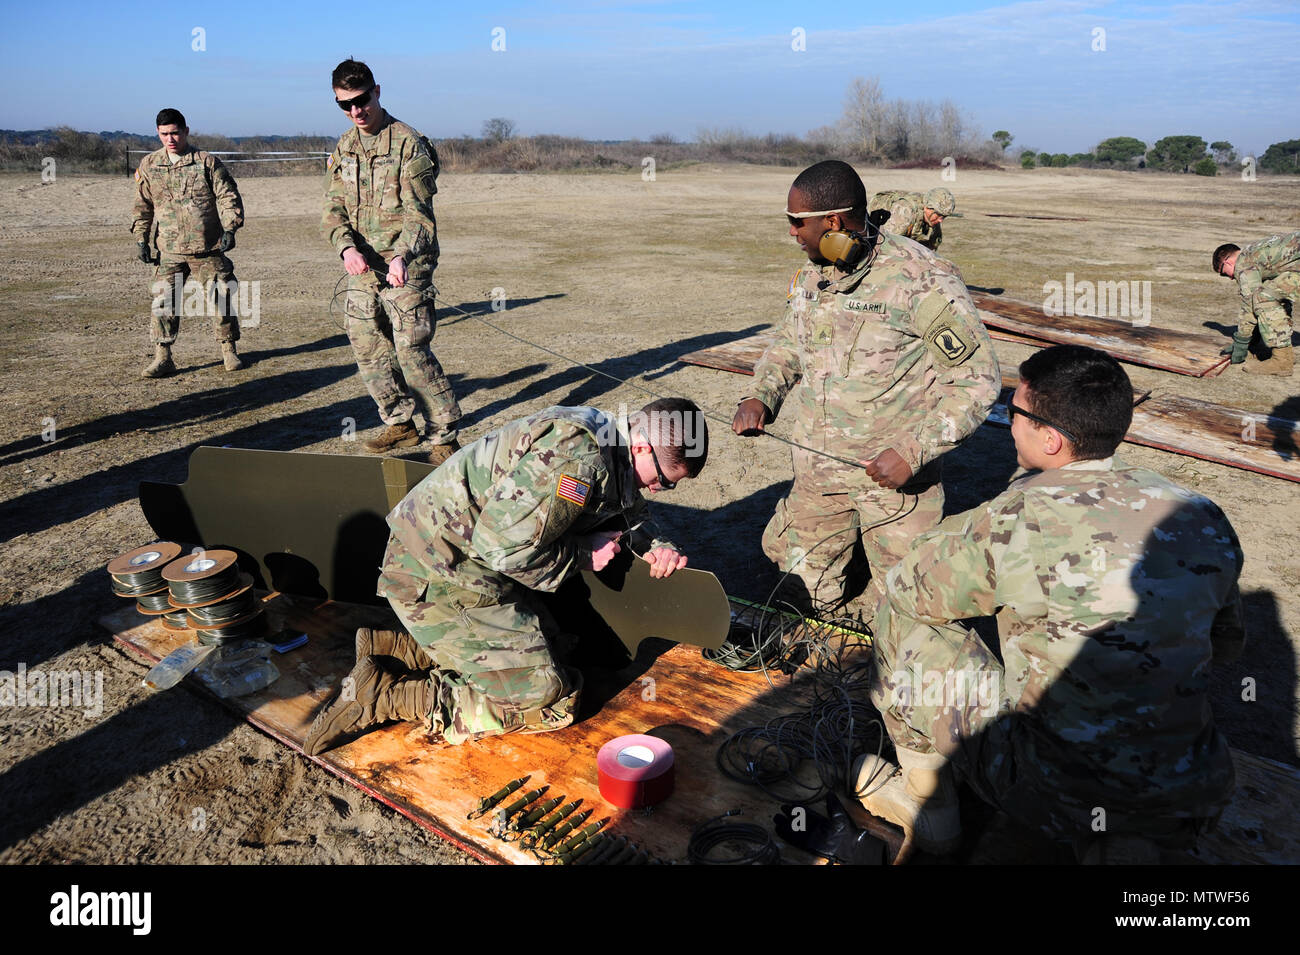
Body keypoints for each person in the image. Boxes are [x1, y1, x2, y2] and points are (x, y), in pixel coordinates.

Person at [857, 345, 1245, 862]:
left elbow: (913, 585)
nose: (1009, 423)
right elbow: (1227, 643)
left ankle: (930, 808)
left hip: (1053, 793)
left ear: (1051, 437)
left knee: (901, 618)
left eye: (1014, 412)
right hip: (1188, 793)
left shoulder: (1021, 515)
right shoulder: (1200, 513)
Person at [304, 398, 708, 755]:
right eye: (664, 481)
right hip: (439, 575)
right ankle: (385, 697)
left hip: (458, 564)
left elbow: (628, 506)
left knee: (558, 646)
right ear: (641, 445)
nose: (657, 490)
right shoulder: (578, 463)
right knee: (549, 697)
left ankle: (401, 649)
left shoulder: (605, 436)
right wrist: (586, 554)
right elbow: (504, 550)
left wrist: (659, 544)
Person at [732, 161, 998, 618]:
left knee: (912, 605)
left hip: (892, 484)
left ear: (832, 222)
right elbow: (789, 343)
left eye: (798, 222)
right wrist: (762, 393)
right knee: (802, 592)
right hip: (817, 475)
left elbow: (977, 381)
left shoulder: (920, 278)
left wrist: (913, 452)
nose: (793, 232)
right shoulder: (814, 275)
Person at [323, 59, 462, 465]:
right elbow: (332, 209)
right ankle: (400, 422)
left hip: (408, 262)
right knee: (367, 345)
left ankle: (444, 437)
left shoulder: (408, 143)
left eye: (361, 100)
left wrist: (402, 256)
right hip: (362, 266)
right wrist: (346, 248)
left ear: (377, 91)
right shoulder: (345, 147)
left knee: (410, 348)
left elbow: (420, 216)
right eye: (344, 105)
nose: (355, 111)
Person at [130, 108, 246, 378]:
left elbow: (228, 195)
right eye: (163, 134)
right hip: (168, 248)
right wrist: (141, 239)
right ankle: (163, 356)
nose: (170, 139)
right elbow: (142, 206)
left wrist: (230, 227)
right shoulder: (150, 165)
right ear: (157, 134)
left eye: (174, 133)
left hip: (207, 246)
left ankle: (229, 350)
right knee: (164, 302)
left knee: (221, 297)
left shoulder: (206, 162)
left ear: (186, 131)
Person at [1213, 231, 1300, 377]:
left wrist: (1241, 342)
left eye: (1223, 273)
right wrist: (1252, 339)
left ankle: (1282, 362)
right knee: (1269, 293)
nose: (1228, 278)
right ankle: (1286, 355)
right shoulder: (1255, 253)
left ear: (1227, 262)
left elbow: (1250, 304)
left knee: (1262, 298)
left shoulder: (1244, 263)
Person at [866, 186, 961, 252]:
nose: (941, 220)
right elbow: (885, 243)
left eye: (944, 217)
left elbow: (933, 246)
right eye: (939, 215)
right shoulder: (905, 211)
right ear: (928, 207)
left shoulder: (934, 218)